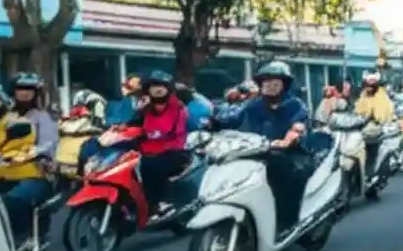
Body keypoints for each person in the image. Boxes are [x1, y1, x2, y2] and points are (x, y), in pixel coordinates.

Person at [212, 61, 313, 238]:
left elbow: (298, 126)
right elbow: (233, 118)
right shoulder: (254, 105)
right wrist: (214, 123)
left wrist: (289, 139)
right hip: (255, 153)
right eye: (265, 82)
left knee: (284, 177)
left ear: (284, 85)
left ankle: (287, 223)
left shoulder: (295, 105)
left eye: (275, 83)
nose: (270, 86)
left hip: (289, 155)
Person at [0, 89, 53, 248]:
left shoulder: (16, 123)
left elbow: (22, 145)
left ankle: (23, 238)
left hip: (27, 175)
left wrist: (8, 156)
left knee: (11, 202)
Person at [129, 71, 190, 214]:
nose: (157, 88)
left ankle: (156, 204)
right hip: (148, 149)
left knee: (149, 165)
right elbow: (132, 124)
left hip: (174, 150)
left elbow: (175, 132)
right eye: (154, 85)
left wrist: (154, 135)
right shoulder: (145, 109)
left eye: (162, 85)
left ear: (168, 88)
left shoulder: (178, 107)